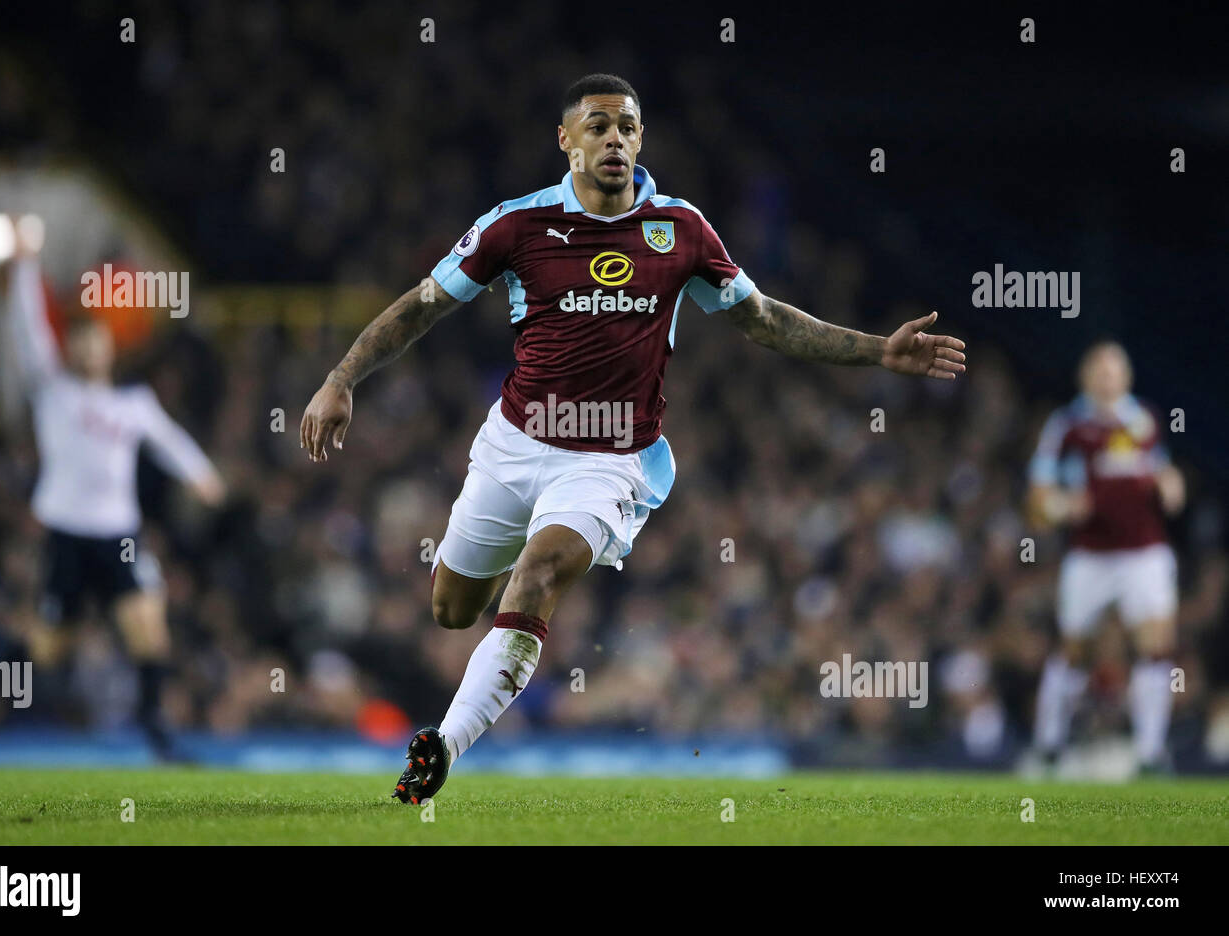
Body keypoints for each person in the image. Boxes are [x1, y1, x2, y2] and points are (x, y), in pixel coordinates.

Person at [300, 74, 966, 802]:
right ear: (567, 140)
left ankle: (445, 746)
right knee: (452, 610)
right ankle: (484, 624)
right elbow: (420, 307)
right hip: (515, 442)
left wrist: (878, 350)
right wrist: (342, 378)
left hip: (611, 460)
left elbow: (767, 321)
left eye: (627, 126)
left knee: (539, 575)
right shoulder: (515, 227)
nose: (614, 138)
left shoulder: (679, 230)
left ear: (641, 139)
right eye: (598, 126)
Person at [7, 219, 225, 758]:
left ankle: (155, 728)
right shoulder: (53, 393)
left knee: (149, 626)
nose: (87, 349)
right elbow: (28, 331)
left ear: (107, 349)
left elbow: (169, 441)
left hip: (118, 535)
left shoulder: (133, 404)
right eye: (79, 341)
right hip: (65, 531)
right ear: (73, 349)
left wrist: (201, 474)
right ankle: (31, 721)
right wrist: (24, 265)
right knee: (48, 646)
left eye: (94, 340)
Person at [1029, 340, 1184, 773]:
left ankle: (1151, 753)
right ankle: (1049, 744)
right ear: (1085, 378)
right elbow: (1038, 495)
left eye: (1114, 371)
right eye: (1099, 370)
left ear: (1126, 378)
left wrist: (1171, 484)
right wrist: (1060, 506)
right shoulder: (1067, 427)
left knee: (1156, 645)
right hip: (1091, 555)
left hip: (1144, 551)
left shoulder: (1145, 421)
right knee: (1074, 649)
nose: (1107, 378)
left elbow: (1160, 468)